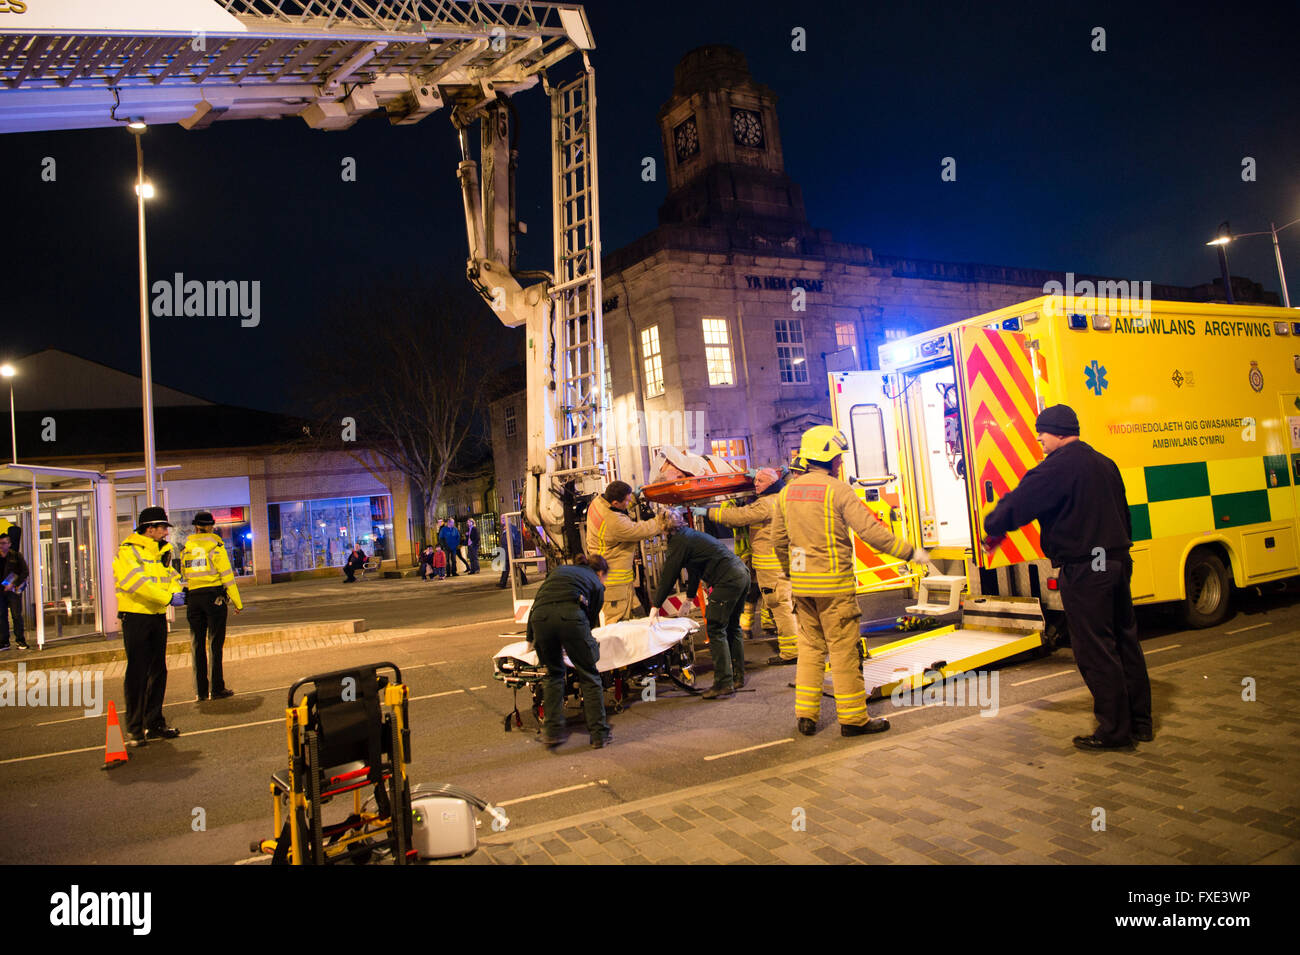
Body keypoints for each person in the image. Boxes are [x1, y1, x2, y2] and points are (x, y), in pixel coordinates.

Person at [982, 404, 1152, 751]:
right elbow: (1124, 512)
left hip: (1088, 567)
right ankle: (1141, 722)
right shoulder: (1105, 463)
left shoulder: (1056, 468)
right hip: (1115, 560)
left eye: (1042, 432)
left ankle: (1115, 732)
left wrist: (992, 526)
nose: (1039, 438)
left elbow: (1019, 503)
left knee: (1095, 649)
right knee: (1124, 642)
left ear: (1059, 432)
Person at [772, 426, 930, 738]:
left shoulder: (787, 493)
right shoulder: (837, 490)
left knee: (810, 649)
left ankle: (806, 716)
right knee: (843, 652)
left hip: (803, 589)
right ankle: (854, 719)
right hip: (834, 588)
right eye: (839, 457)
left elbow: (778, 541)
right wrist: (910, 552)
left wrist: (792, 573)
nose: (841, 463)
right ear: (828, 458)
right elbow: (871, 532)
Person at [650, 508, 752, 699]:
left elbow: (668, 575)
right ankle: (737, 677)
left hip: (727, 580)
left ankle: (723, 683)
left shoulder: (678, 542)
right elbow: (694, 568)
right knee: (732, 628)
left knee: (715, 628)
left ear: (662, 527)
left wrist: (655, 606)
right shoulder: (690, 535)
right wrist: (689, 598)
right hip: (741, 574)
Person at [705, 467, 800, 666]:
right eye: (755, 480)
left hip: (771, 566)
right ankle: (798, 647)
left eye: (761, 481)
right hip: (782, 563)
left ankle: (791, 652)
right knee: (788, 604)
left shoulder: (766, 503)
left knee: (779, 605)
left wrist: (708, 513)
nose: (756, 484)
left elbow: (740, 516)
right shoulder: (782, 496)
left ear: (772, 484)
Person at [112, 506, 183, 746]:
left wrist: (178, 590)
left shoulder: (161, 551)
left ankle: (154, 723)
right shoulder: (128, 552)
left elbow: (169, 577)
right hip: (136, 617)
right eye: (162, 527)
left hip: (156, 616)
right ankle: (134, 729)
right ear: (149, 529)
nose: (166, 532)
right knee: (137, 673)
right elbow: (136, 583)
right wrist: (167, 598)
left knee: (158, 672)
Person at [526, 554, 612, 749]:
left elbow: (537, 602)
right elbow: (590, 620)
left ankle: (553, 732)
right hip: (572, 617)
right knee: (589, 675)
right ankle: (599, 735)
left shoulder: (559, 571)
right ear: (600, 572)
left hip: (540, 619)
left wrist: (530, 638)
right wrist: (578, 641)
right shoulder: (596, 583)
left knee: (554, 674)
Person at [180, 512, 243, 702]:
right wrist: (237, 602)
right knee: (215, 644)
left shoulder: (186, 549)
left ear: (195, 527)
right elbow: (227, 576)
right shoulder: (216, 547)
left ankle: (200, 691)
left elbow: (184, 573)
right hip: (213, 598)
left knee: (197, 645)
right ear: (210, 527)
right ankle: (217, 688)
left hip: (193, 599)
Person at [585, 481, 667, 621]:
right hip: (614, 584)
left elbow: (617, 510)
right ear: (616, 502)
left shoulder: (598, 502)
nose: (629, 502)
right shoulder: (615, 523)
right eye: (627, 500)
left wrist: (633, 499)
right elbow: (641, 530)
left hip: (621, 583)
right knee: (617, 624)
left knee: (637, 616)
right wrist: (665, 520)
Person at [0, 532, 30, 651]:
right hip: (0, 592)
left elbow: (24, 572)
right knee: (1, 616)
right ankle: (4, 642)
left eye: (4, 543)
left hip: (13, 591)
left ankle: (20, 640)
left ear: (9, 544)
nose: (1, 546)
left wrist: (14, 584)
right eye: (0, 543)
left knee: (16, 615)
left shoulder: (16, 556)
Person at [496, 517, 528, 588]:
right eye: (501, 519)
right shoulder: (504, 528)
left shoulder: (512, 528)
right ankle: (503, 582)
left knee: (512, 567)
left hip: (511, 551)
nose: (502, 520)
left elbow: (516, 540)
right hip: (507, 552)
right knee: (509, 567)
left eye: (504, 518)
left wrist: (517, 552)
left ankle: (503, 583)